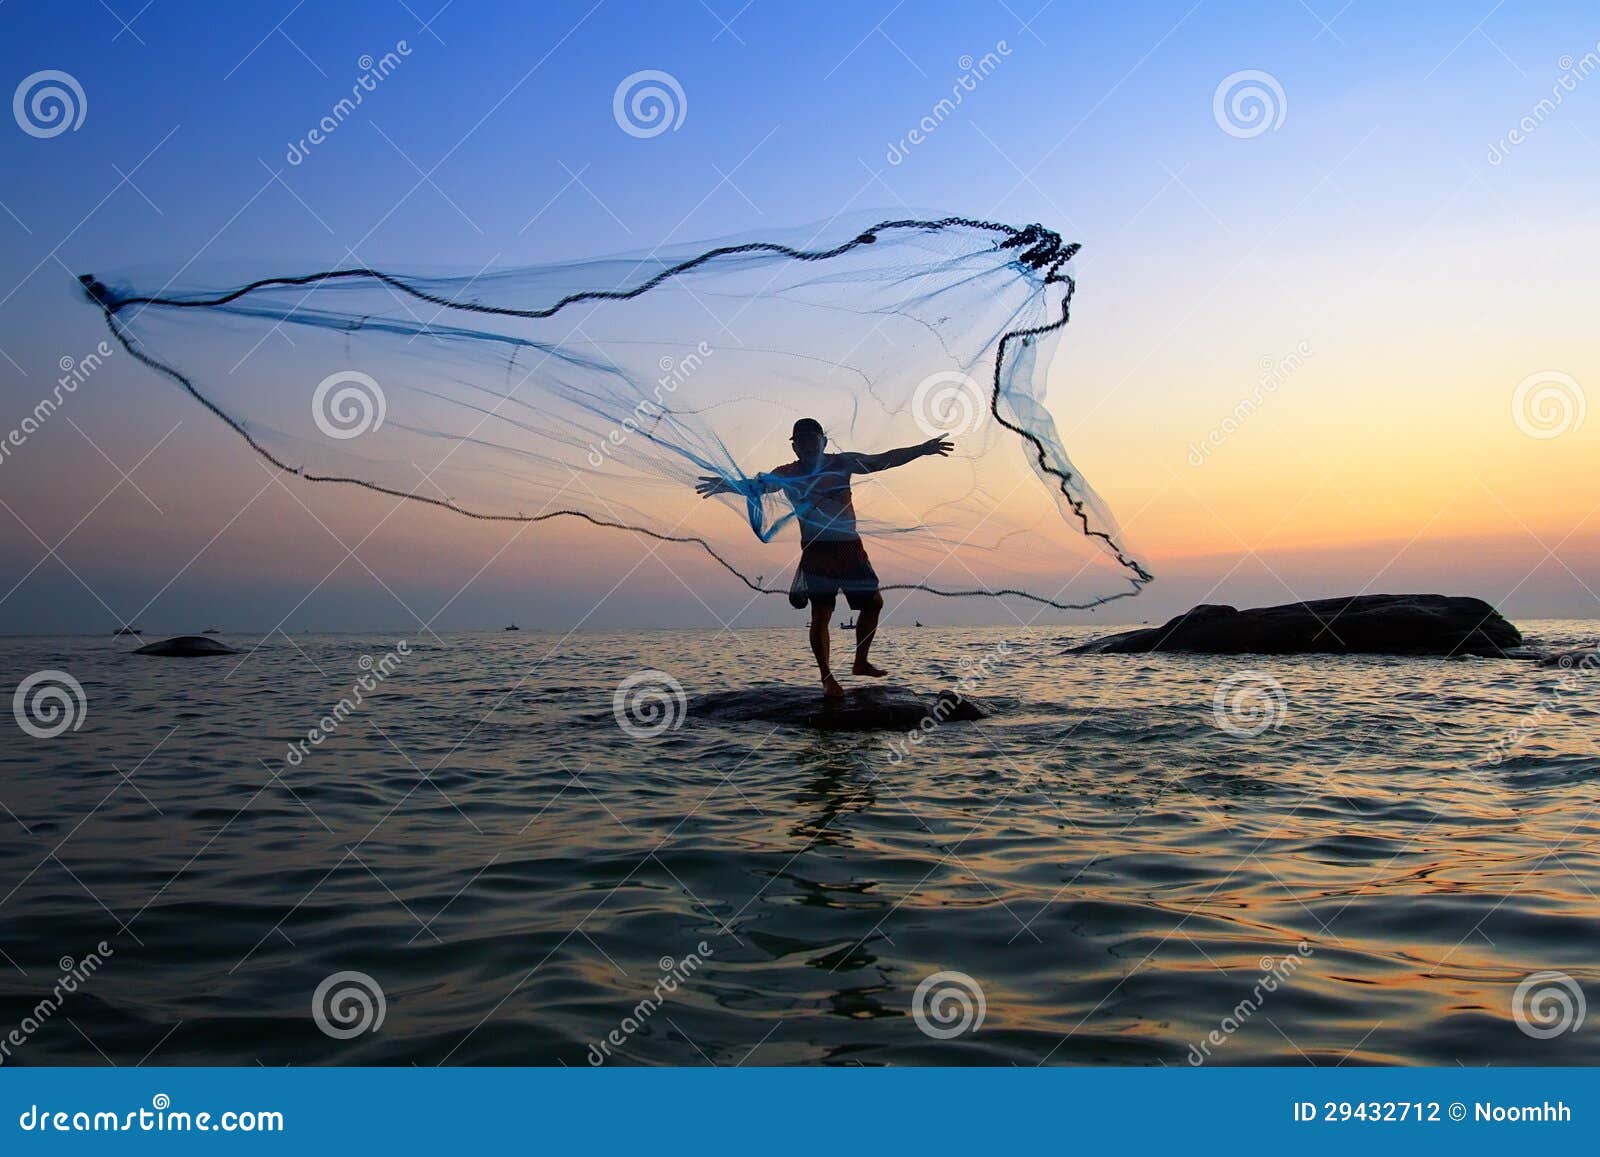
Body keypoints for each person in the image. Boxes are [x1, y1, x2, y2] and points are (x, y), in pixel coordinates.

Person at [697, 418, 953, 699]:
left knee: (874, 603)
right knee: (821, 613)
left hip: (850, 547)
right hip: (816, 550)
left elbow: (882, 460)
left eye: (812, 438)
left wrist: (921, 449)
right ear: (794, 447)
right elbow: (757, 487)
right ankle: (827, 678)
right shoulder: (786, 473)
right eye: (801, 440)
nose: (807, 444)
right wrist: (727, 485)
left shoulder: (842, 463)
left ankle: (860, 662)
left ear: (823, 442)